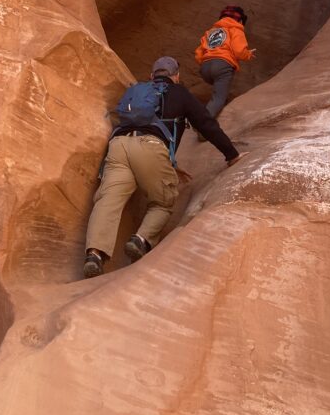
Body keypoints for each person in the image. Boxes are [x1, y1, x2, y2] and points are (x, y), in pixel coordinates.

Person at [83, 56, 240, 278]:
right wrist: (231, 154)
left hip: (118, 145)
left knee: (108, 200)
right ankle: (141, 239)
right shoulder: (180, 93)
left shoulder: (137, 91)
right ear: (176, 76)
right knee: (163, 202)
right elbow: (206, 124)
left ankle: (94, 255)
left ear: (152, 76)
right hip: (150, 147)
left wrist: (169, 164)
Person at [195, 5, 256, 118]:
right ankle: (201, 122)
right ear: (240, 20)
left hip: (205, 68)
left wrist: (207, 61)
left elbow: (199, 53)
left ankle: (220, 103)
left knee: (220, 91)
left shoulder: (210, 32)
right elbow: (238, 51)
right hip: (222, 65)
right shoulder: (236, 29)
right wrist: (247, 54)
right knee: (218, 99)